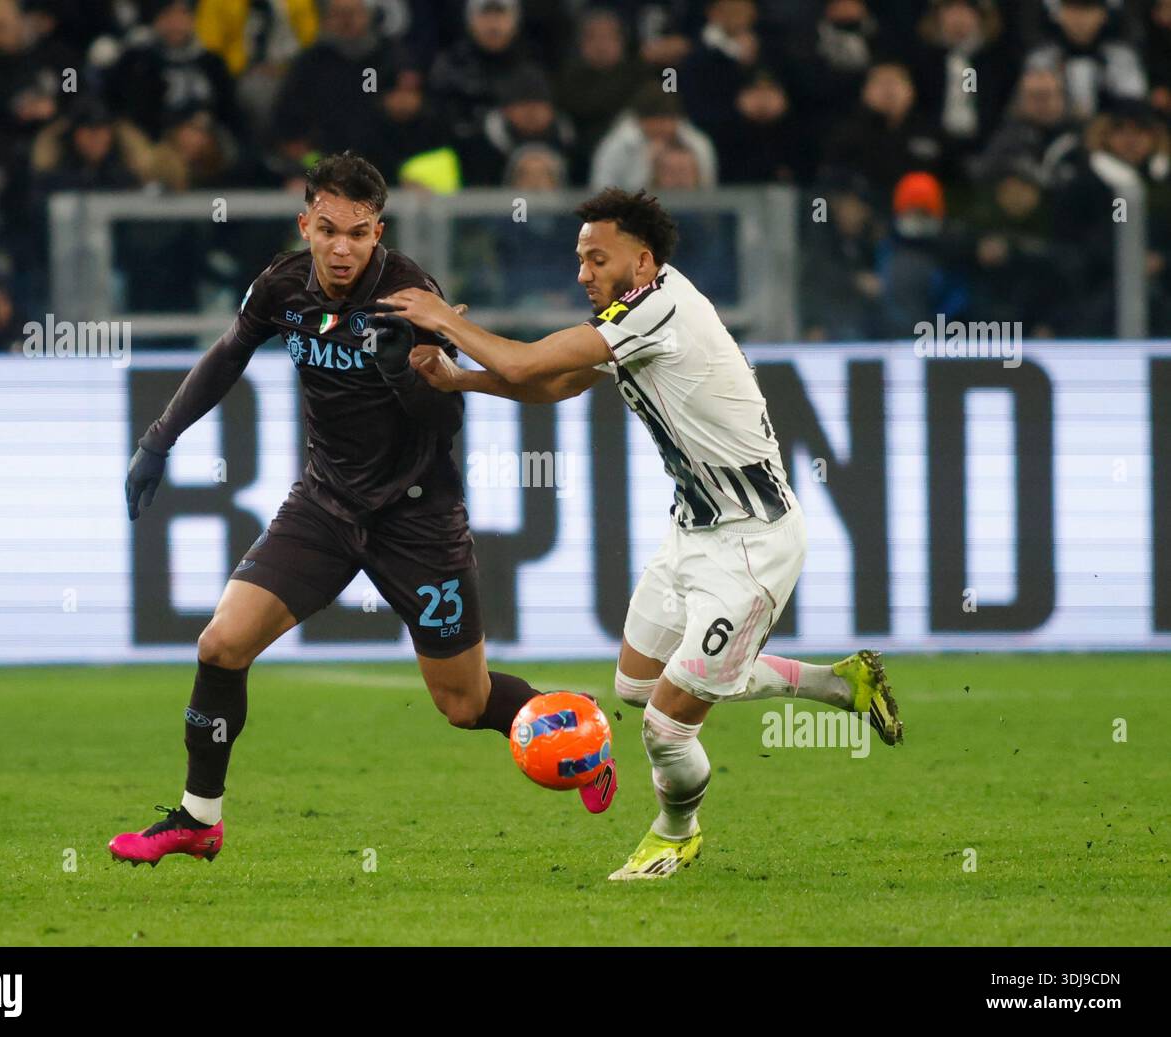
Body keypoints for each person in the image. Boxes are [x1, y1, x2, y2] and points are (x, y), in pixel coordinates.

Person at [380, 188, 903, 881]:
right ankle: (841, 685)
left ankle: (674, 833)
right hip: (692, 532)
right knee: (635, 684)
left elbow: (529, 362)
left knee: (665, 724)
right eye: (579, 259)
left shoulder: (661, 309)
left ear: (643, 260)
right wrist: (460, 381)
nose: (583, 273)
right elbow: (557, 384)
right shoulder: (633, 311)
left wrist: (442, 318)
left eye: (597, 259)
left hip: (753, 545)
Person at [108, 153, 613, 868]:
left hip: (417, 516)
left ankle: (581, 739)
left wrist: (398, 368)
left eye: (359, 233)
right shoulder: (281, 286)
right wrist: (158, 440)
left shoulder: (411, 296)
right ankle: (198, 817)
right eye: (328, 229)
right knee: (221, 645)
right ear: (305, 223)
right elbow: (229, 353)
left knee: (464, 704)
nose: (342, 248)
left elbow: (445, 425)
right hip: (325, 503)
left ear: (379, 231)